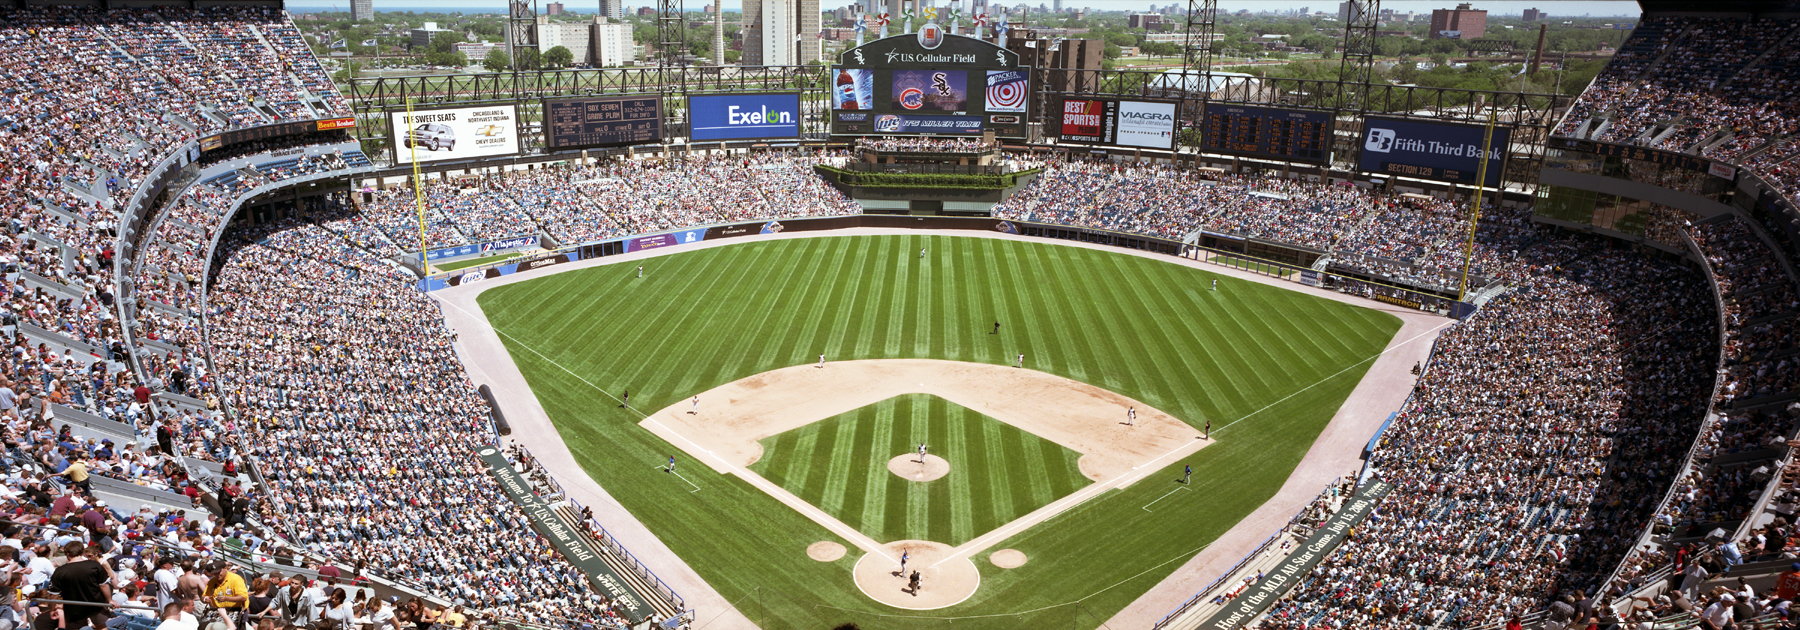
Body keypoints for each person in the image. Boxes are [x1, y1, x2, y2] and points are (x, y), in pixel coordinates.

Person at [51, 543, 111, 630]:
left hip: (73, 607)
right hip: (95, 603)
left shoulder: (60, 571)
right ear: (83, 552)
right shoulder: (95, 565)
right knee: (101, 626)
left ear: (67, 553)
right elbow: (104, 585)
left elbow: (53, 594)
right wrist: (110, 600)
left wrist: (52, 609)